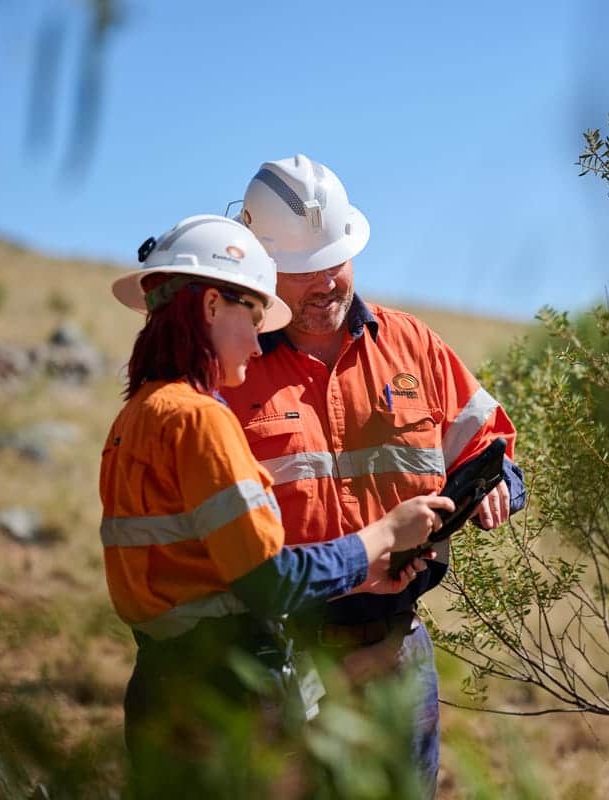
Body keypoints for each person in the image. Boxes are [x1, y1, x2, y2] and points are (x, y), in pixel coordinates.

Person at [99, 214, 455, 791]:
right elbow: (270, 580)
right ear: (212, 307)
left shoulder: (136, 416)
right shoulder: (199, 419)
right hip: (223, 701)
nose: (259, 338)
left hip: (162, 688)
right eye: (255, 315)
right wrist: (383, 537)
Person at [221, 155, 527, 794]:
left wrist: (498, 487)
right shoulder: (233, 370)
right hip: (282, 659)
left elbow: (491, 449)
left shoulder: (412, 346)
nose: (324, 285)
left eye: (334, 264)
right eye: (302, 273)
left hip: (398, 649)